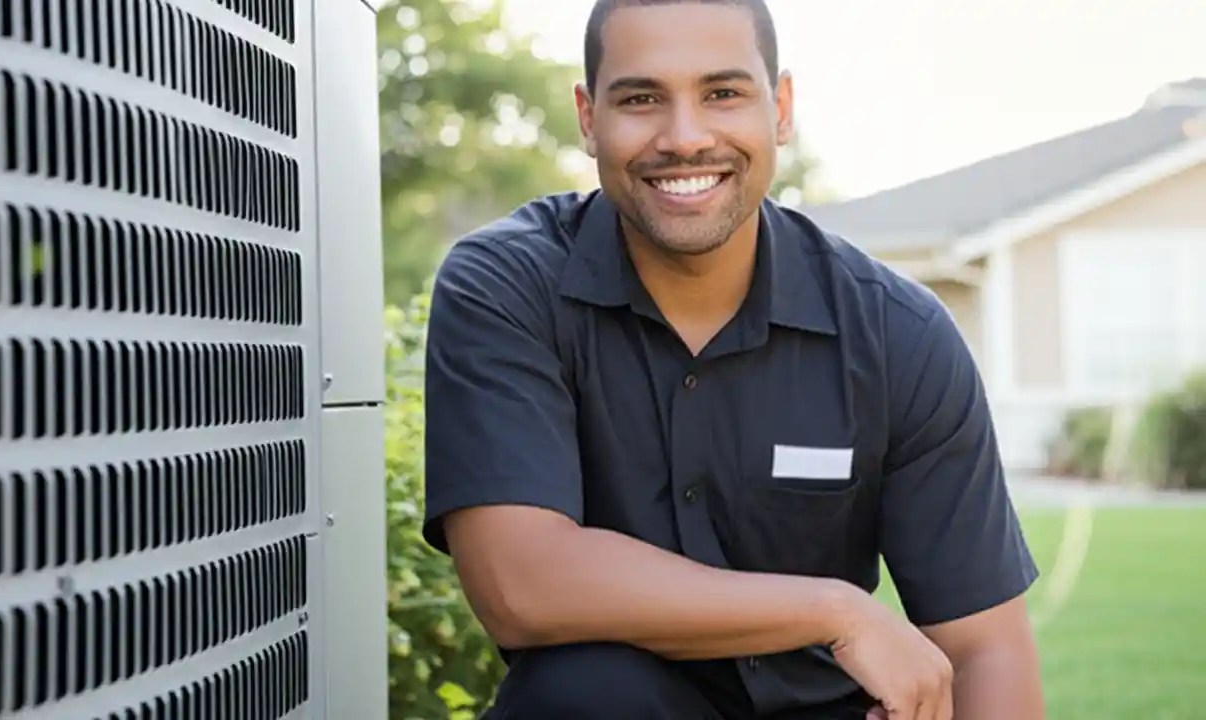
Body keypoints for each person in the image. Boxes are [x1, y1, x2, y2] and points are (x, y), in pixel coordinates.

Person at [421, 1, 1046, 718]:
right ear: (589, 117)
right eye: (641, 98)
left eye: (722, 93)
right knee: (582, 689)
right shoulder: (507, 286)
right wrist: (833, 610)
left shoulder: (894, 332)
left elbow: (983, 650)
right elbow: (519, 584)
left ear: (779, 108)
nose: (685, 139)